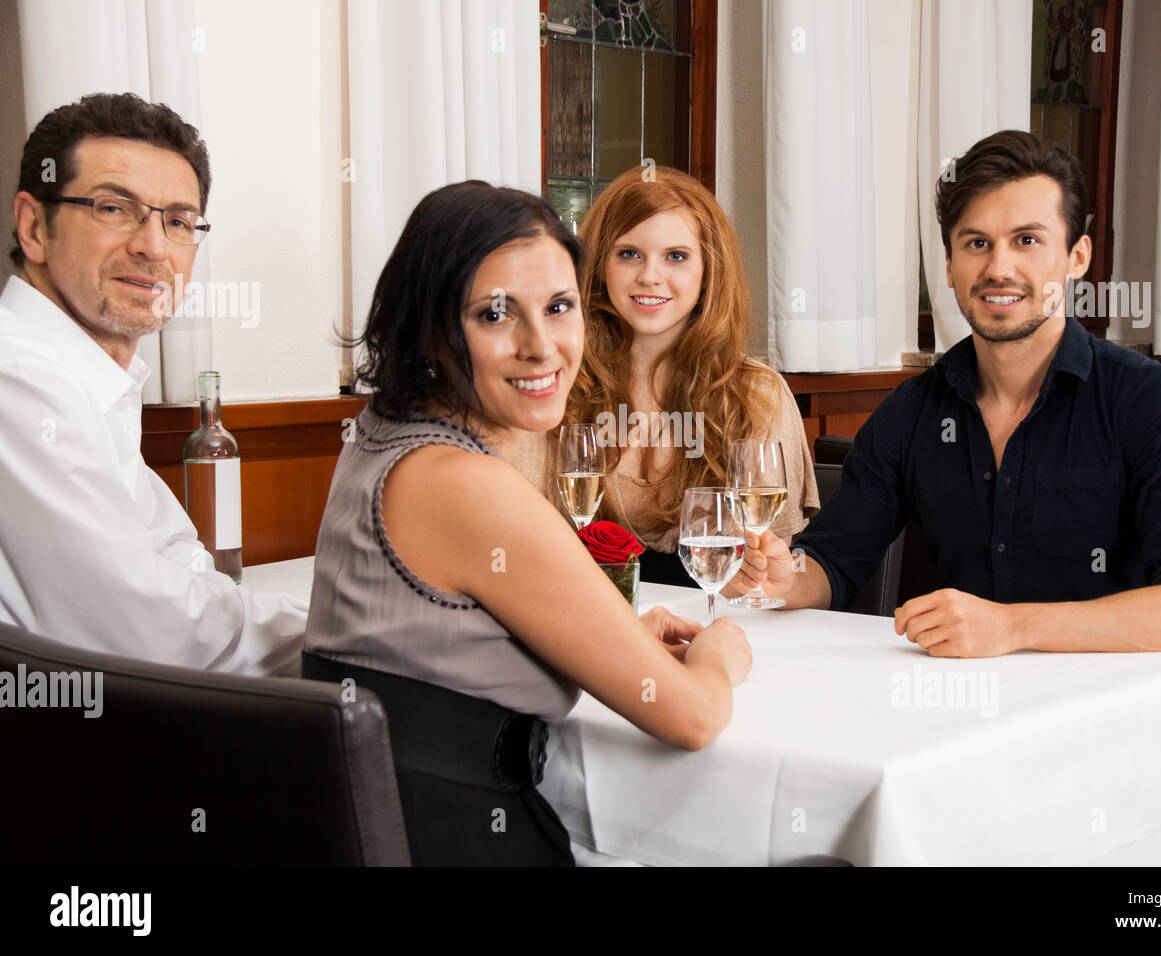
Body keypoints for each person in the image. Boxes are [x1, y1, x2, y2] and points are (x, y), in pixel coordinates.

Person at [303, 181, 752, 866]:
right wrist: (719, 657)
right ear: (431, 327)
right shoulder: (466, 484)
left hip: (369, 817)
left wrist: (615, 635)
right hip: (448, 832)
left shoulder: (380, 434)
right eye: (495, 315)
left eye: (559, 307)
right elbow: (690, 717)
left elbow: (437, 644)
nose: (542, 346)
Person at [730, 129, 1161, 660]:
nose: (999, 267)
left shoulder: (1153, 402)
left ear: (1077, 257)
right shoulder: (911, 412)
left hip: (1122, 719)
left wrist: (1013, 627)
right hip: (964, 714)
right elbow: (834, 561)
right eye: (977, 243)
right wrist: (786, 581)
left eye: (1027, 240)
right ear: (950, 268)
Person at [0, 93, 304, 674]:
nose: (154, 247)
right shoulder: (18, 381)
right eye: (114, 208)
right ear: (34, 227)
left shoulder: (88, 380)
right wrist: (335, 637)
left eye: (179, 221)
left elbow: (177, 557)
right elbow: (151, 634)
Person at [514, 167, 818, 587]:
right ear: (599, 264)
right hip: (588, 619)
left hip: (721, 624)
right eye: (629, 253)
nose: (650, 276)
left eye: (676, 256)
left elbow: (774, 566)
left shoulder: (756, 393)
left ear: (709, 269)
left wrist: (757, 571)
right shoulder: (557, 382)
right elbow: (521, 536)